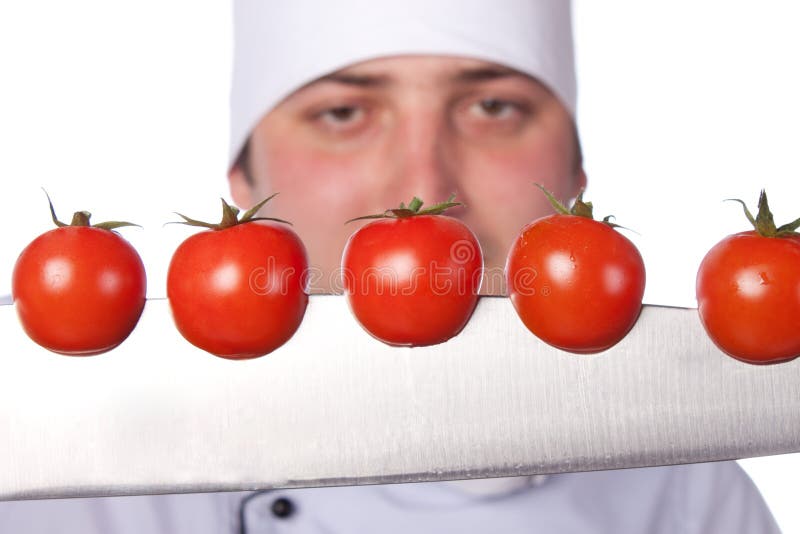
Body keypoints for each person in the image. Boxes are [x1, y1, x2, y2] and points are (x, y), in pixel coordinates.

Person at [0, 1, 782, 532]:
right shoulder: (56, 479)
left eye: (494, 107)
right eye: (343, 113)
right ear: (242, 188)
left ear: (577, 178)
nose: (423, 188)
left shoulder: (690, 494)